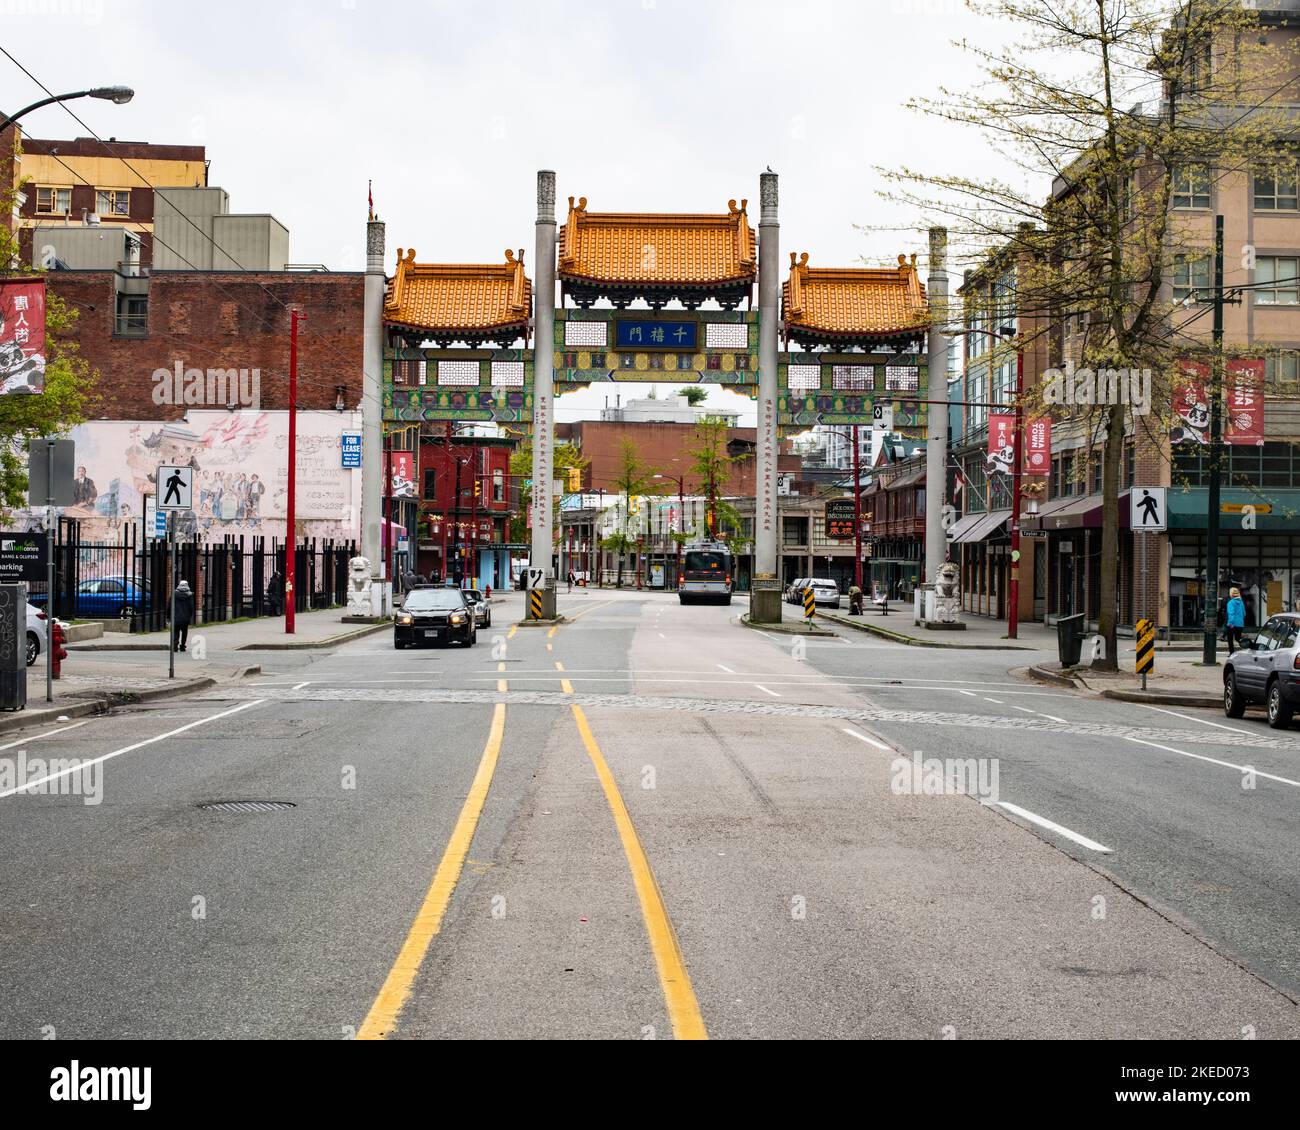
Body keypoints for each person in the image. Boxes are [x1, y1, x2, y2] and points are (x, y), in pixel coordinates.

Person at [173, 580, 194, 653]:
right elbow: (191, 607)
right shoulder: (189, 595)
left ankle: (175, 644)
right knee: (184, 632)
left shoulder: (174, 594)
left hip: (176, 617)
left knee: (176, 631)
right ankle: (182, 646)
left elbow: (169, 605)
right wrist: (190, 615)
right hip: (185, 618)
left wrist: (169, 616)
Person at [1225, 586, 1246, 654]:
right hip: (1240, 624)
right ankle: (1247, 646)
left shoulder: (1230, 603)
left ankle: (1231, 653)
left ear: (1231, 594)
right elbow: (1244, 614)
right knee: (1238, 638)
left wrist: (1231, 624)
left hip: (1232, 624)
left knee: (1230, 639)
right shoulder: (1241, 602)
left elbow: (1231, 614)